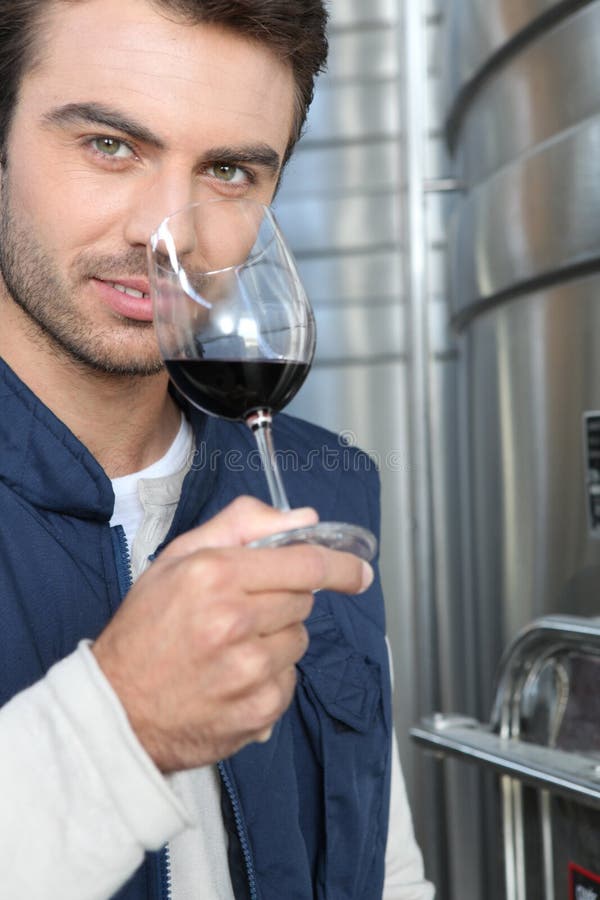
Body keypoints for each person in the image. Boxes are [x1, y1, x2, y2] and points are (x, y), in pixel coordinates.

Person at [0, 0, 435, 898]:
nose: (169, 238)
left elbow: (383, 871)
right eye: (110, 145)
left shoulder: (326, 488)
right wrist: (120, 725)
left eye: (229, 170)